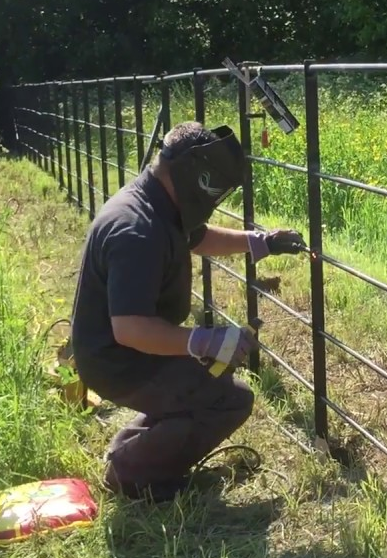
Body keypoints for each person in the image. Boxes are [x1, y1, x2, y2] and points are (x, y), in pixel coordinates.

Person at [67, 120, 305, 503]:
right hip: (117, 360)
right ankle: (131, 474)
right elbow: (130, 329)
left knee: (216, 383)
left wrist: (259, 242)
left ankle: (132, 450)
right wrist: (205, 341)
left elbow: (198, 238)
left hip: (128, 352)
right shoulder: (137, 230)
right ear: (193, 173)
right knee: (228, 400)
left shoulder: (159, 202)